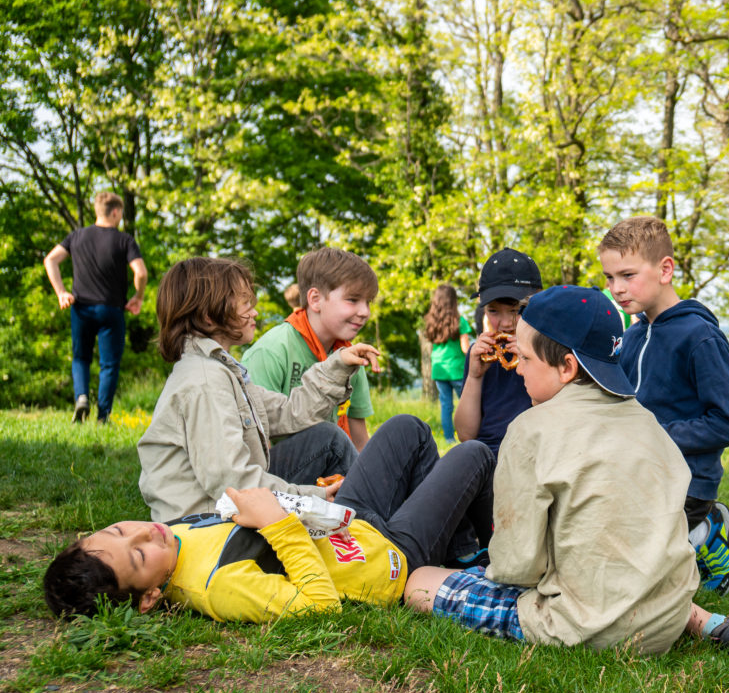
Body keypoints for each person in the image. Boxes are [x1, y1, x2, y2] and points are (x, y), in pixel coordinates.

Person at [401, 286, 729, 655]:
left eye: (526, 359)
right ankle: (707, 624)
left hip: (581, 627)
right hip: (665, 620)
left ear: (567, 367)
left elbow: (517, 567)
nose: (518, 370)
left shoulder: (529, 429)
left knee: (420, 582)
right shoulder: (649, 422)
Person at [43, 416, 495, 623]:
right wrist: (279, 524)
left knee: (407, 430)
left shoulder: (171, 536)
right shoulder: (219, 587)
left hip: (346, 520)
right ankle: (471, 567)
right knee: (473, 454)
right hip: (386, 560)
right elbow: (320, 607)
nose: (145, 531)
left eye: (120, 530)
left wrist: (310, 502)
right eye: (139, 554)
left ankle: (455, 554)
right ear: (149, 599)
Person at [137, 257, 378, 522]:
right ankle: (376, 533)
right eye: (244, 304)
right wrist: (313, 498)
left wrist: (338, 365)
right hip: (209, 524)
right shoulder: (205, 382)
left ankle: (369, 525)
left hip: (225, 511)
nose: (254, 313)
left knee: (327, 438)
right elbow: (232, 481)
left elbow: (289, 413)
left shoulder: (222, 371)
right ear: (208, 317)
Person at [598, 216, 729, 595]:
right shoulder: (631, 338)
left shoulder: (699, 336)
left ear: (665, 269)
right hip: (636, 478)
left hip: (687, 483)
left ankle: (703, 533)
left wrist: (657, 435)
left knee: (640, 587)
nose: (617, 288)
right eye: (609, 277)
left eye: (628, 275)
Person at [244, 248, 378, 451]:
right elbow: (257, 443)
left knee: (409, 429)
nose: (364, 312)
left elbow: (359, 438)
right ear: (315, 300)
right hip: (280, 474)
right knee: (328, 434)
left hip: (335, 462)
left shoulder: (349, 355)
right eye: (353, 300)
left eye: (368, 302)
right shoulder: (271, 351)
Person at [43, 191, 149, 424]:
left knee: (81, 358)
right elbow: (140, 272)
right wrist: (138, 297)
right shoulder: (124, 240)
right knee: (109, 364)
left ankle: (81, 397)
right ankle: (103, 417)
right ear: (115, 212)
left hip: (81, 308)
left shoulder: (77, 236)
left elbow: (50, 259)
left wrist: (61, 292)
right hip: (111, 310)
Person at [454, 248, 543, 455]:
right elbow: (465, 435)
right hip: (483, 455)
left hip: (527, 454)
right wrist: (475, 377)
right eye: (493, 311)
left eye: (515, 310)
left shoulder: (550, 352)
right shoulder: (481, 355)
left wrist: (530, 363)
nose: (504, 323)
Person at [424, 284, 472, 444]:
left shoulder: (431, 322)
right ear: (453, 301)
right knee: (466, 404)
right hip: (457, 369)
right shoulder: (460, 321)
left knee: (446, 406)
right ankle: (468, 436)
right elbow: (466, 348)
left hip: (438, 369)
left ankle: (449, 438)